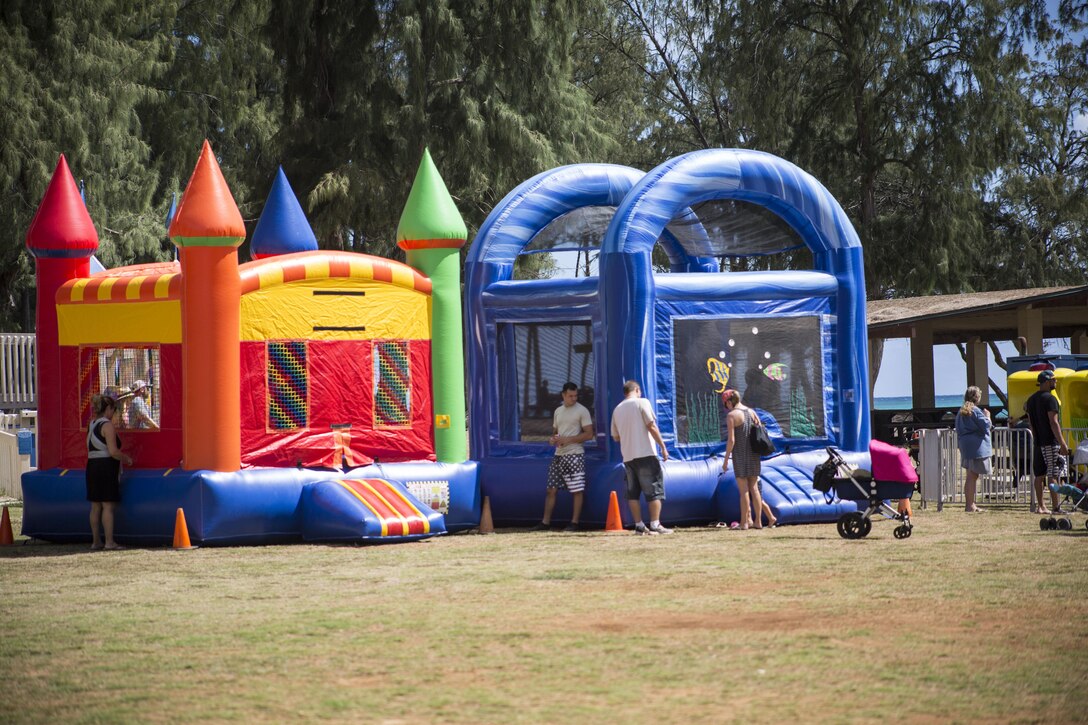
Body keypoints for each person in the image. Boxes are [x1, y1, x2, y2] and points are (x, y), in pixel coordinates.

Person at [610, 380, 671, 535]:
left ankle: (639, 525)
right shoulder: (642, 402)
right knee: (654, 490)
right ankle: (655, 524)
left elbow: (616, 437)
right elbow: (651, 426)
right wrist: (663, 447)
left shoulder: (617, 409)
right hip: (646, 453)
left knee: (633, 493)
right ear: (637, 390)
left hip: (628, 456)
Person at [534, 382, 594, 532]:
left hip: (575, 454)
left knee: (576, 489)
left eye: (575, 396)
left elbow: (589, 434)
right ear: (563, 395)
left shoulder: (582, 410)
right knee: (551, 489)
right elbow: (556, 432)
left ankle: (574, 523)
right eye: (570, 396)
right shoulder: (558, 411)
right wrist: (553, 439)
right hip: (558, 455)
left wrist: (568, 440)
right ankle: (545, 522)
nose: (574, 398)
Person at [721, 389, 774, 530]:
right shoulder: (751, 412)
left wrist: (726, 460)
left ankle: (744, 522)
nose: (726, 407)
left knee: (744, 490)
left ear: (729, 402)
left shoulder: (732, 416)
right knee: (754, 489)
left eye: (725, 404)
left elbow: (731, 440)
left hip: (740, 455)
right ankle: (758, 521)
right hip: (754, 454)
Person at [86, 391, 133, 550]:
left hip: (92, 466)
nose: (113, 413)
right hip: (105, 467)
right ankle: (109, 542)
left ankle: (96, 541)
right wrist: (126, 458)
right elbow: (113, 451)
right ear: (108, 409)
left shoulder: (92, 424)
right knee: (107, 506)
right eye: (113, 409)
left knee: (95, 506)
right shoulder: (107, 425)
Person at [1025, 370, 1069, 514]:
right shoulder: (1050, 399)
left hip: (1038, 442)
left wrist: (1036, 437)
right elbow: (1053, 422)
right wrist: (1062, 443)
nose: (1055, 382)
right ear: (1047, 382)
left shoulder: (1031, 400)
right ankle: (1056, 507)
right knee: (1053, 474)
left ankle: (1041, 506)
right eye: (1053, 380)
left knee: (1039, 475)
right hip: (1050, 441)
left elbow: (1031, 423)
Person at [955, 385, 992, 513]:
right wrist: (987, 416)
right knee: (972, 476)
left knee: (970, 475)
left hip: (965, 445)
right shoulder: (975, 410)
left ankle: (970, 504)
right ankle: (970, 505)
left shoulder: (961, 411)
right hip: (976, 446)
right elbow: (986, 425)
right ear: (977, 398)